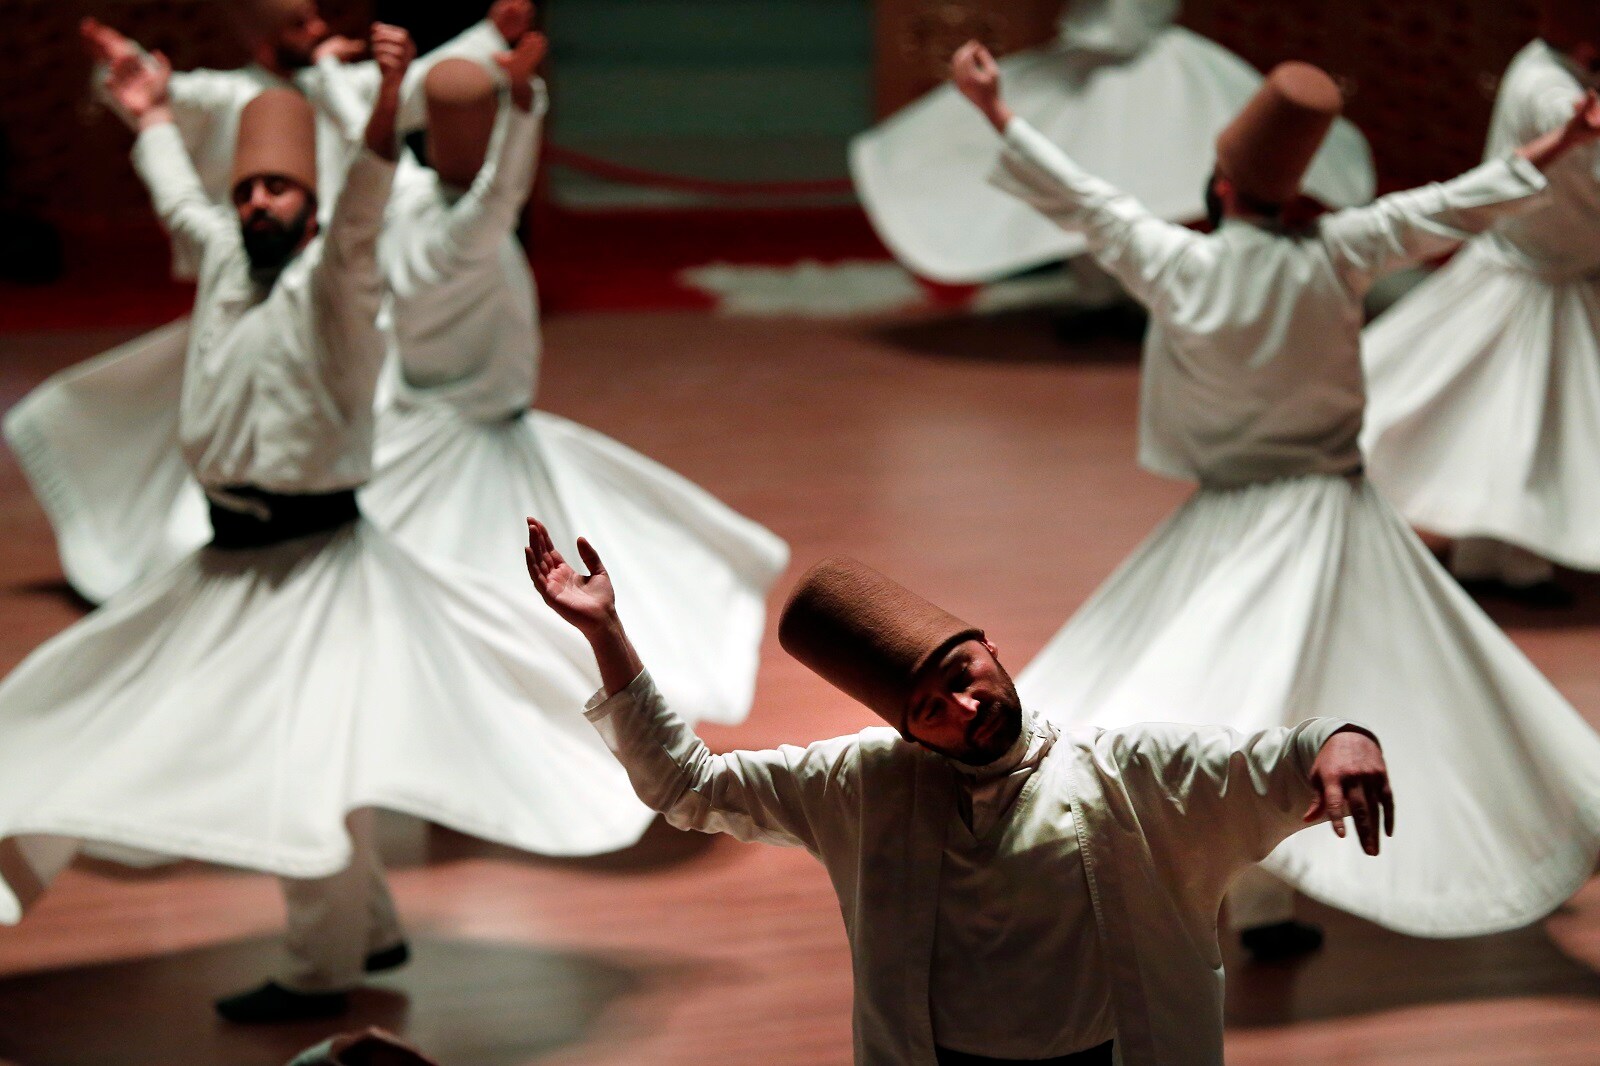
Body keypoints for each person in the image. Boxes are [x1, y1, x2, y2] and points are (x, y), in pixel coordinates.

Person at [0, 26, 654, 1025]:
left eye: (279, 191)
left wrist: (387, 99)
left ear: (309, 205)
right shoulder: (223, 258)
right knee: (67, 700)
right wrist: (153, 121)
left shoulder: (340, 282)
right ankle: (368, 926)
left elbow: (365, 201)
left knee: (298, 761)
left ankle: (320, 969)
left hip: (317, 564)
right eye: (249, 190)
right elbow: (180, 196)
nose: (257, 202)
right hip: (225, 561)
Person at [949, 39, 1600, 959]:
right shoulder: (1339, 250)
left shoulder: (1179, 262)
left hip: (1231, 515)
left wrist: (995, 109)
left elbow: (1083, 201)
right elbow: (1462, 201)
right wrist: (1560, 143)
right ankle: (1267, 899)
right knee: (1341, 691)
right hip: (1336, 513)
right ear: (1292, 189)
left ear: (1221, 183)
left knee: (1234, 700)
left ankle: (1249, 896)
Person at [526, 522, 1393, 1066]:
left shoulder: (1123, 769)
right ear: (906, 731)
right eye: (931, 711)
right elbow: (690, 786)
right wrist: (606, 633)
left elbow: (1270, 760)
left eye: (963, 674)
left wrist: (1342, 738)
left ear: (987, 644)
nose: (968, 709)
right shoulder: (863, 784)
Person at [2, 0, 536, 604]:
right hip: (251, 305)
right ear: (263, 44)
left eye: (275, 188)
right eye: (296, 26)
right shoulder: (229, 188)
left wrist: (490, 35)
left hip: (329, 299)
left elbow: (393, 142)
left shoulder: (342, 122)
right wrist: (149, 106)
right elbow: (178, 180)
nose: (316, 32)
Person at [355, 44, 788, 726]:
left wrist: (385, 93)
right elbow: (502, 190)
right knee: (483, 590)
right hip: (469, 436)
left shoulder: (401, 203)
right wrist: (525, 101)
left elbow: (373, 149)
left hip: (438, 424)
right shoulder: (457, 234)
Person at [849, 0, 1374, 298]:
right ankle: (1099, 296)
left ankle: (1133, 296)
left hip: (1146, 73)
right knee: (1084, 185)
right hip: (1091, 72)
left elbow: (1126, 28)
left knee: (1140, 185)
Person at [1361, 0, 1600, 607]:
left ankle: (1502, 556)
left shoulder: (1547, 67)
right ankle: (1507, 563)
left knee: (1519, 429)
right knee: (1515, 428)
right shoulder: (1551, 93)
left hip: (1553, 274)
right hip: (1531, 281)